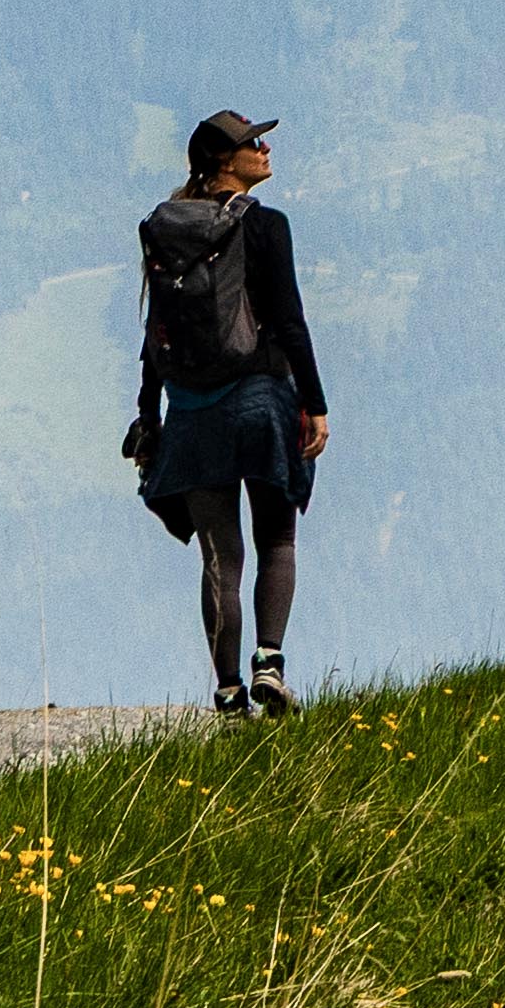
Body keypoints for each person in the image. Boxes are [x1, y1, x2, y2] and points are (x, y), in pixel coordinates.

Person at [131, 109, 333, 717]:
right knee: (276, 537)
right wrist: (316, 405)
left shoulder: (166, 230)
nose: (265, 149)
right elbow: (290, 321)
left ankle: (226, 690)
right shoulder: (266, 226)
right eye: (253, 143)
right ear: (225, 162)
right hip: (261, 398)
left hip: (191, 414)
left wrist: (150, 417)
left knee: (220, 555)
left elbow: (153, 335)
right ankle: (268, 663)